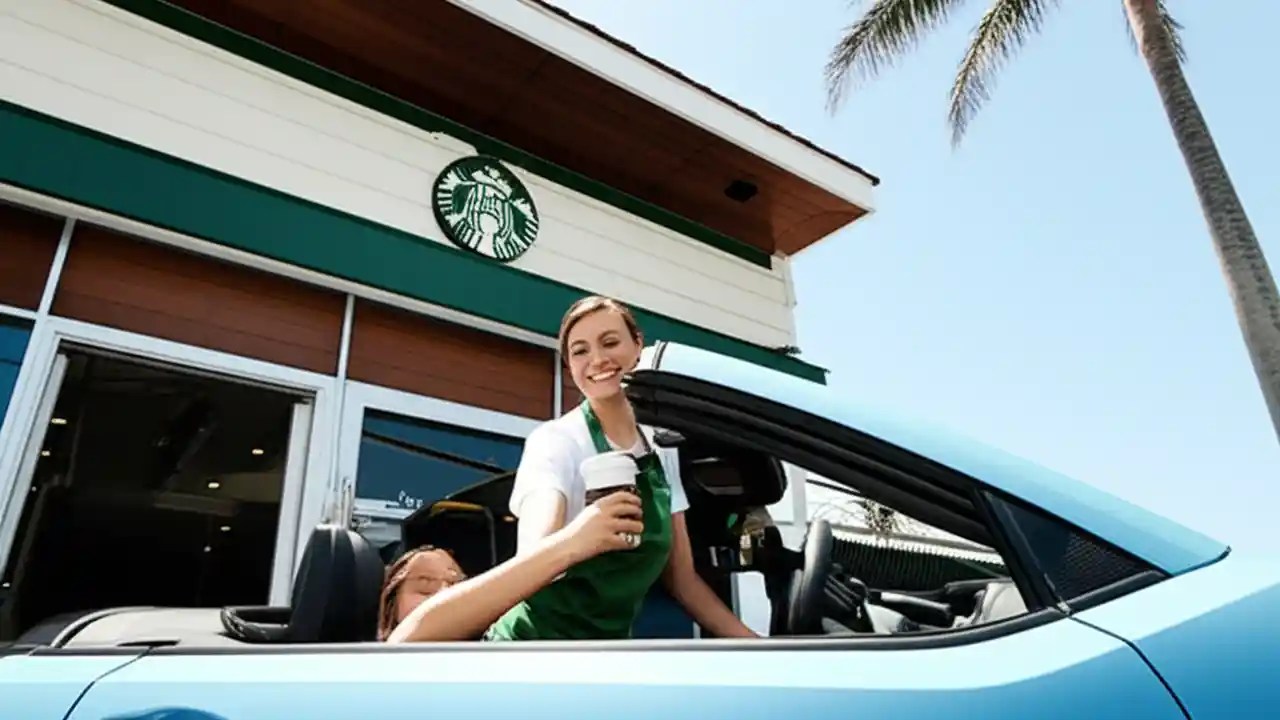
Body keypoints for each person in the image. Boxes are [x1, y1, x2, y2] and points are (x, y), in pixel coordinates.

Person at [484, 295, 759, 641]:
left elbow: (683, 579)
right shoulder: (557, 442)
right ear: (569, 366)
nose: (597, 359)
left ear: (638, 345)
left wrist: (754, 645)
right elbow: (531, 560)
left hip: (609, 654)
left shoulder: (661, 447)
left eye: (610, 342)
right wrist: (583, 535)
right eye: (580, 351)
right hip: (533, 650)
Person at [381, 490, 644, 642]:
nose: (444, 594)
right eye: (425, 589)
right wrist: (572, 543)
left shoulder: (501, 653)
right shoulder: (377, 672)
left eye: (456, 585)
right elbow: (410, 637)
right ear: (388, 605)